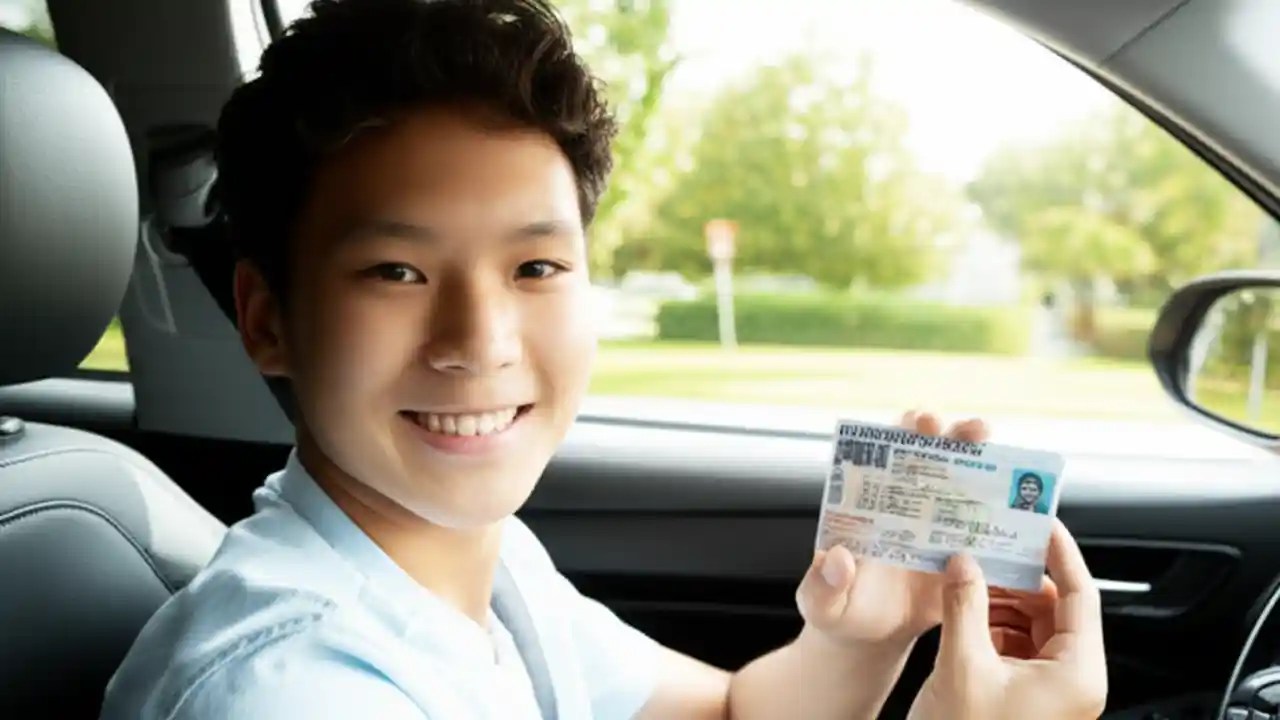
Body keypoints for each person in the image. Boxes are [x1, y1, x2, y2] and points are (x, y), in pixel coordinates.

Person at [99, 1, 1107, 718]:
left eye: (535, 267)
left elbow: (728, 714)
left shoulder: (478, 563)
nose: (480, 342)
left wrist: (862, 635)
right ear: (267, 320)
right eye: (397, 273)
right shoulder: (287, 688)